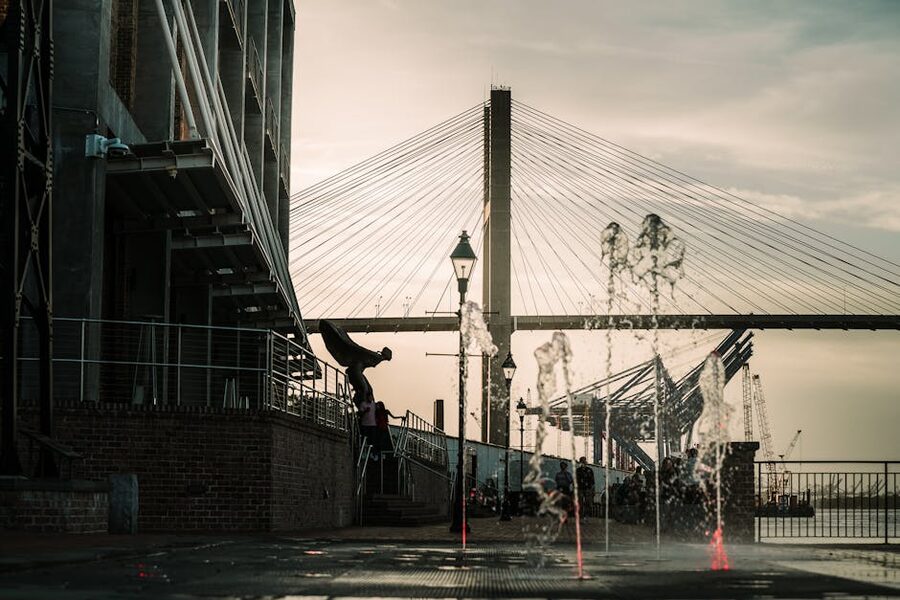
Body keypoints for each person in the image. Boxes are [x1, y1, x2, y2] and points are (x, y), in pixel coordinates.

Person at [358, 392, 378, 459]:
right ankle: (364, 453)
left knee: (373, 440)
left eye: (371, 397)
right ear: (367, 397)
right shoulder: (363, 404)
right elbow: (360, 414)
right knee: (364, 439)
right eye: (369, 397)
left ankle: (373, 454)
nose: (370, 398)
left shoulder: (374, 405)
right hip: (365, 424)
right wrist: (365, 411)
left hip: (373, 425)